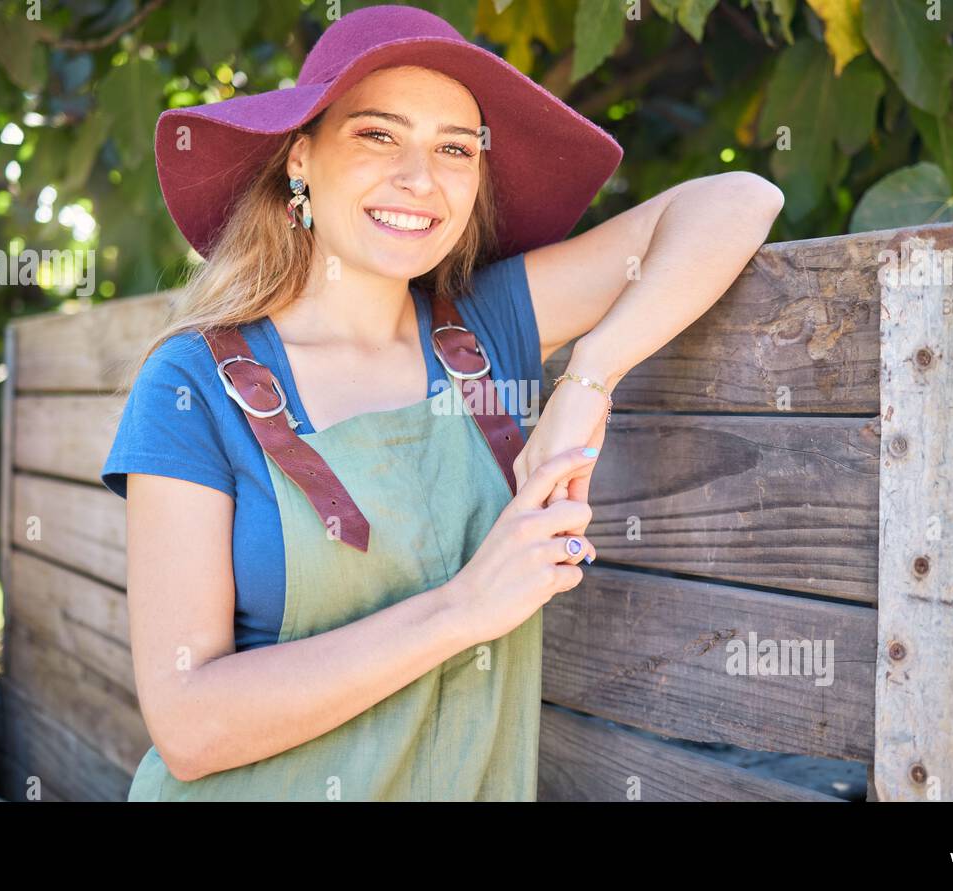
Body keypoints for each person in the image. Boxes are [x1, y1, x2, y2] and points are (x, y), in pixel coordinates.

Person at [100, 4, 782, 801]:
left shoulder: (487, 331)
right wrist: (465, 607)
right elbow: (188, 727)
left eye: (454, 148)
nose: (419, 179)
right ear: (299, 159)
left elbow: (738, 200)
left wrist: (588, 378)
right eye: (378, 135)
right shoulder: (191, 383)